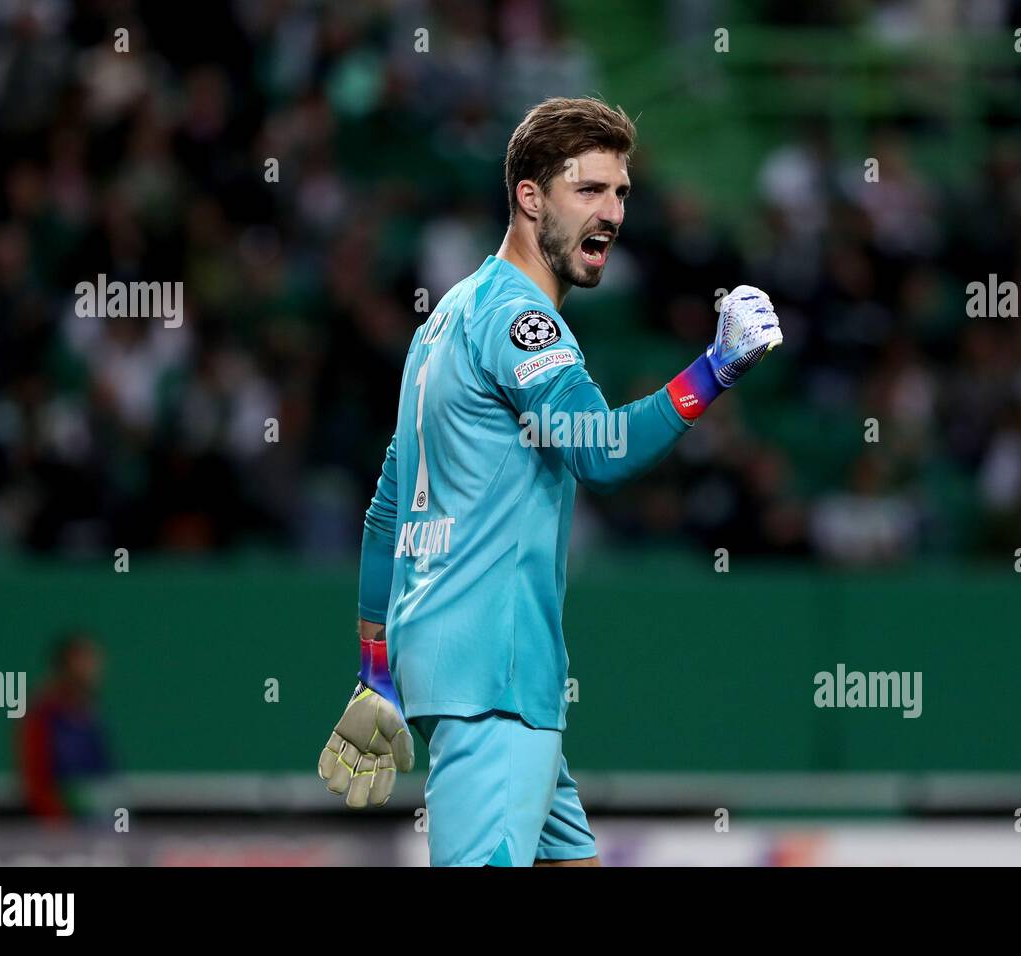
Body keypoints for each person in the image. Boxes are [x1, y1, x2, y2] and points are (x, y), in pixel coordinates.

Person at [318, 97, 781, 866]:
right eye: (589, 190)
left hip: (455, 675)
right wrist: (715, 369)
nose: (614, 211)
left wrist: (377, 676)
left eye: (622, 192)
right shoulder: (517, 320)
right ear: (531, 198)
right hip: (496, 679)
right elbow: (601, 451)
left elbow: (387, 514)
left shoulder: (445, 320)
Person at [18, 631, 113, 821]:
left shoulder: (91, 716)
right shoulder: (42, 714)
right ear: (66, 666)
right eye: (83, 661)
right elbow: (36, 782)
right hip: (59, 831)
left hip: (97, 824)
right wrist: (58, 825)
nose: (92, 668)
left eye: (93, 660)